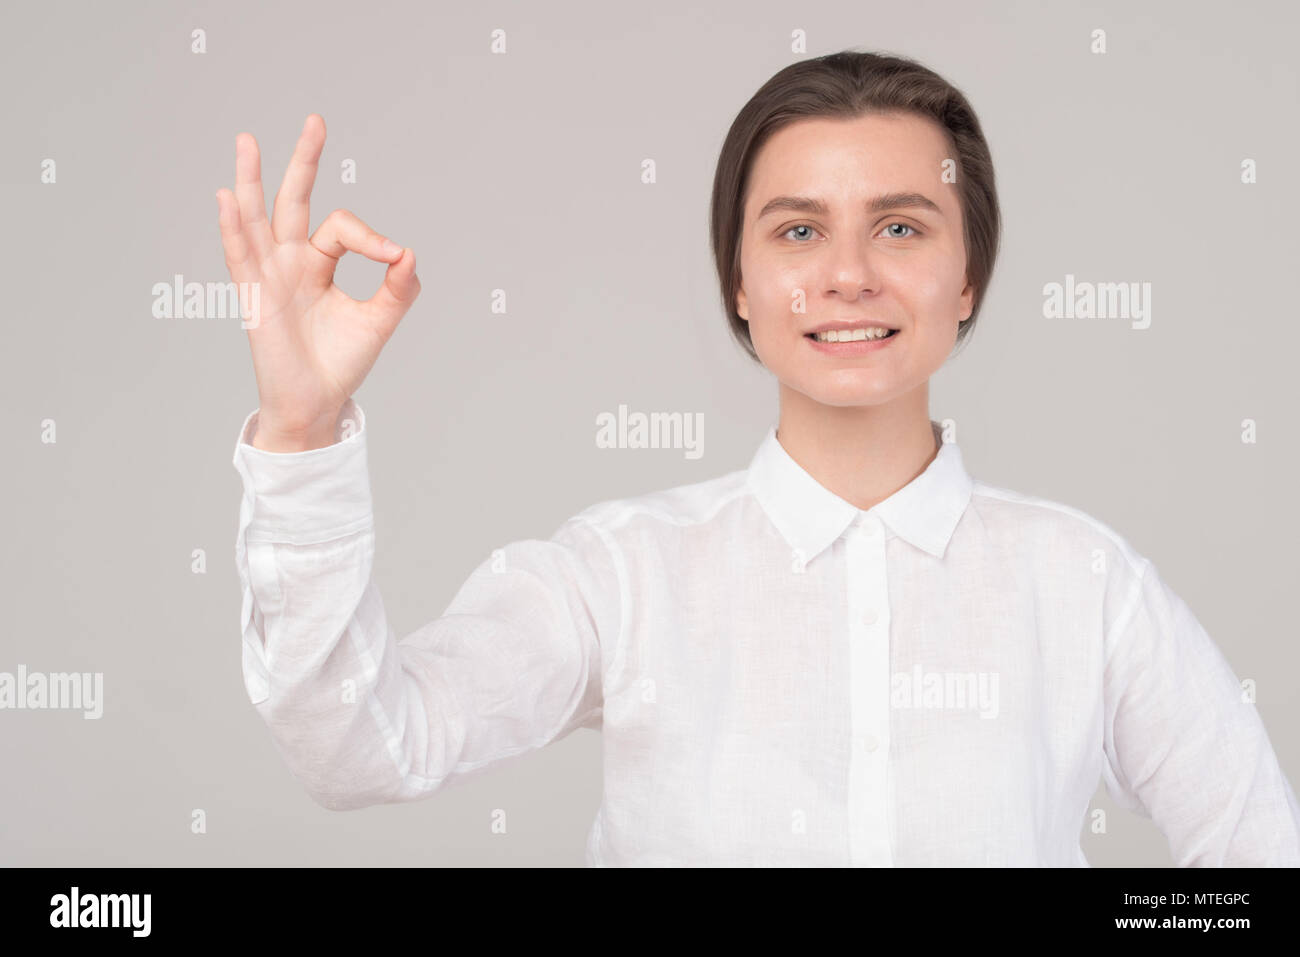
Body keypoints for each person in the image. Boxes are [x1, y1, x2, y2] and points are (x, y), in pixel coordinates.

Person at [219, 50, 1300, 866]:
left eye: (903, 228)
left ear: (968, 277)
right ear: (736, 282)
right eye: (795, 231)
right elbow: (364, 748)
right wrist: (304, 432)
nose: (846, 275)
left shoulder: (1085, 585)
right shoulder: (618, 577)